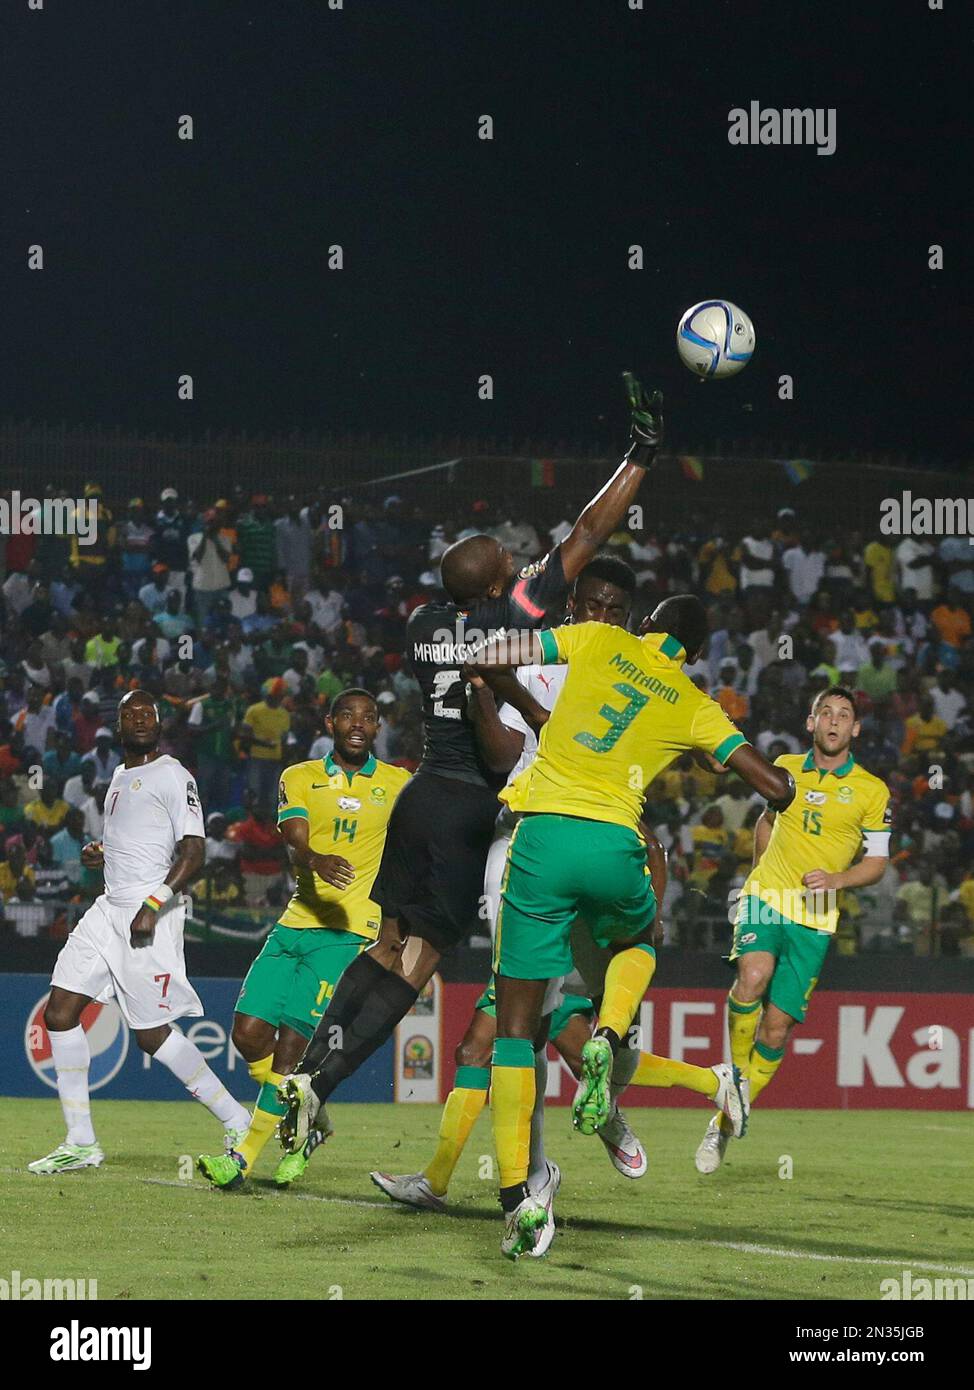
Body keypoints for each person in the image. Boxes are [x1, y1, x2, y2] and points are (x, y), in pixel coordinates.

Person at [276, 376, 666, 1153]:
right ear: (497, 584)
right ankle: (320, 1084)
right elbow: (587, 533)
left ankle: (305, 1070)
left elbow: (483, 586)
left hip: (416, 796)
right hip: (465, 809)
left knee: (383, 942)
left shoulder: (423, 623)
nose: (522, 563)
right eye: (510, 562)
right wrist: (640, 455)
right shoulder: (508, 617)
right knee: (417, 964)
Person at [371, 562, 746, 1250]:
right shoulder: (553, 660)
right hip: (525, 847)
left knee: (521, 1034)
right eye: (592, 602)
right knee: (508, 1036)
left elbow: (660, 774)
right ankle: (486, 1172)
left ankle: (528, 1177)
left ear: (634, 618)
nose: (601, 613)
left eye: (615, 606)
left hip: (577, 856)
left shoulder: (622, 666)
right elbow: (504, 749)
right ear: (575, 604)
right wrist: (489, 698)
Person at [467, 593, 795, 1257]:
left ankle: (518, 1199)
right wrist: (747, 762)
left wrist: (536, 711)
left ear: (647, 625)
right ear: (695, 653)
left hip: (542, 840)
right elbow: (776, 789)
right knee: (636, 942)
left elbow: (486, 655)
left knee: (513, 1031)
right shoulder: (695, 702)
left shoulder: (597, 638)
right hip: (617, 843)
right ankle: (609, 1030)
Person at [28, 690, 250, 1175]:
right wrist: (102, 853)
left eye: (148, 713)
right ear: (120, 726)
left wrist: (153, 905)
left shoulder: (173, 774)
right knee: (60, 1011)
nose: (141, 720)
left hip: (148, 912)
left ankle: (237, 1119)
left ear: (160, 722)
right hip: (108, 909)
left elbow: (194, 852)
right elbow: (138, 842)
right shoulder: (120, 777)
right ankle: (81, 1141)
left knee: (150, 1034)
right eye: (131, 714)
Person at [198, 689, 410, 1190]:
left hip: (349, 934)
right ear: (330, 722)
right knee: (248, 1033)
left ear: (377, 728)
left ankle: (243, 1158)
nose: (359, 724)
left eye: (369, 718)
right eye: (349, 716)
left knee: (292, 1054)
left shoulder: (400, 784)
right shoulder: (299, 776)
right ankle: (306, 1120)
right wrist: (314, 859)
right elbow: (294, 836)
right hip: (296, 923)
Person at [695, 686, 891, 1173]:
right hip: (767, 898)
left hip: (818, 913)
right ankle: (735, 1082)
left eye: (844, 715)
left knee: (777, 1028)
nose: (833, 721)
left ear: (855, 729)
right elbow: (766, 821)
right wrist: (757, 875)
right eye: (825, 712)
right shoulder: (785, 766)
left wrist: (839, 879)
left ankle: (723, 1123)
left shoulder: (871, 789)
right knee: (752, 978)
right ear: (811, 722)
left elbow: (879, 862)